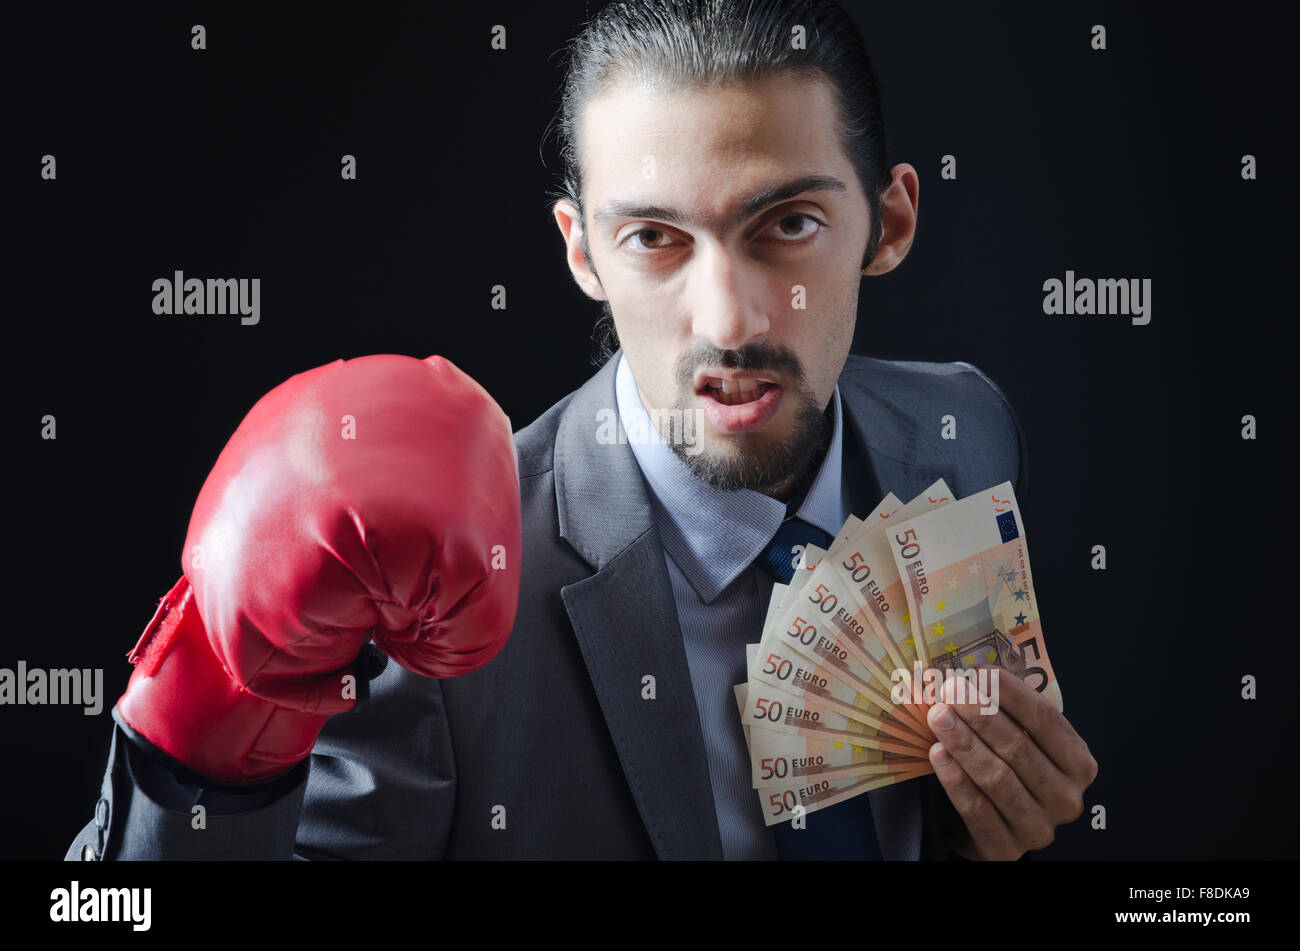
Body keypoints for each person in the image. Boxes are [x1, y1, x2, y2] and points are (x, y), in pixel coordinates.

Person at [67, 0, 1096, 862]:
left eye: (787, 224)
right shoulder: (432, 626)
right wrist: (201, 720)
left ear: (891, 223)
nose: (728, 321)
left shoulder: (958, 435)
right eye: (654, 239)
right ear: (582, 255)